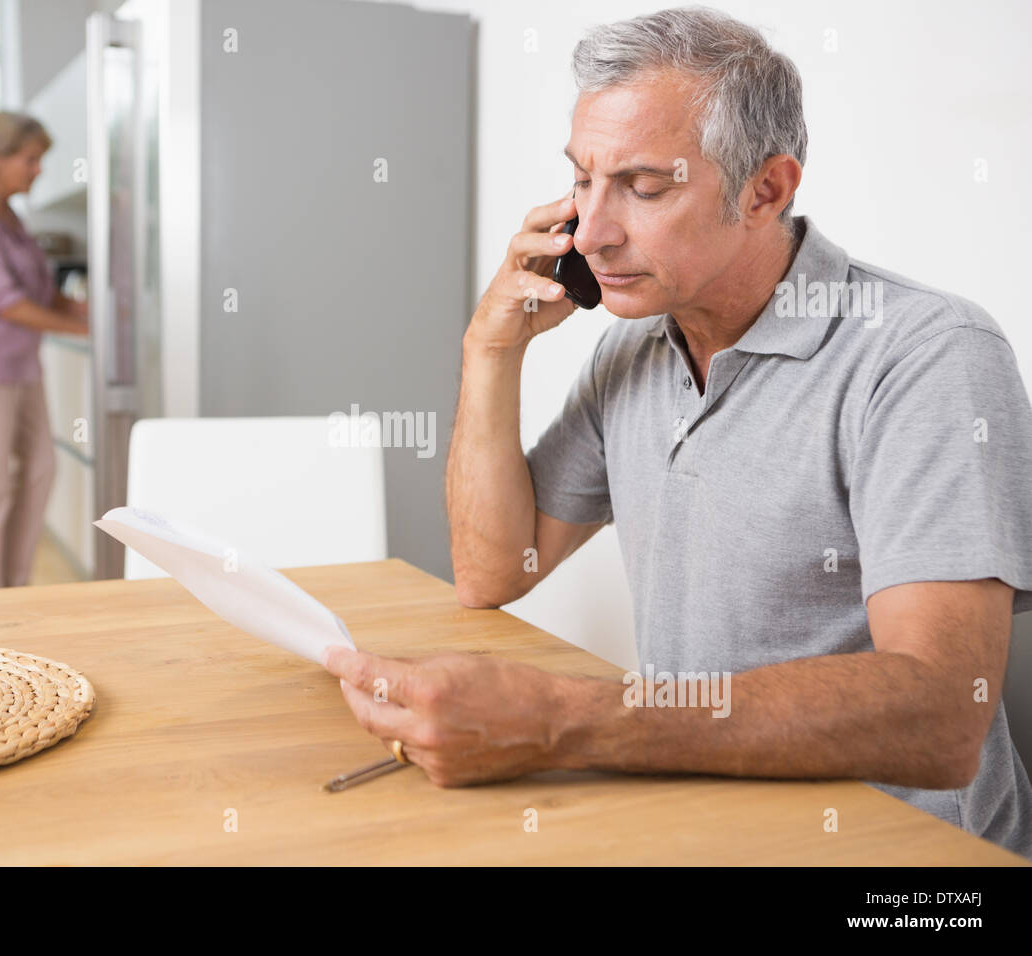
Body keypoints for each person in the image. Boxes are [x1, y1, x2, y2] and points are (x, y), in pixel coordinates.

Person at [322, 6, 1032, 859]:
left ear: (766, 189)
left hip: (903, 864)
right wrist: (489, 348)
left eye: (645, 186)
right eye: (583, 180)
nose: (591, 229)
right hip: (706, 824)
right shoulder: (635, 351)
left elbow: (944, 715)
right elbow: (492, 569)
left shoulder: (927, 358)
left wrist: (562, 719)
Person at [0, 111, 89, 590]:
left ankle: (13, 585)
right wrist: (79, 328)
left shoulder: (13, 218)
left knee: (41, 468)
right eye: (30, 160)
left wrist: (96, 314)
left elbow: (43, 293)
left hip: (23, 365)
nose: (38, 169)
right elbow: (4, 301)